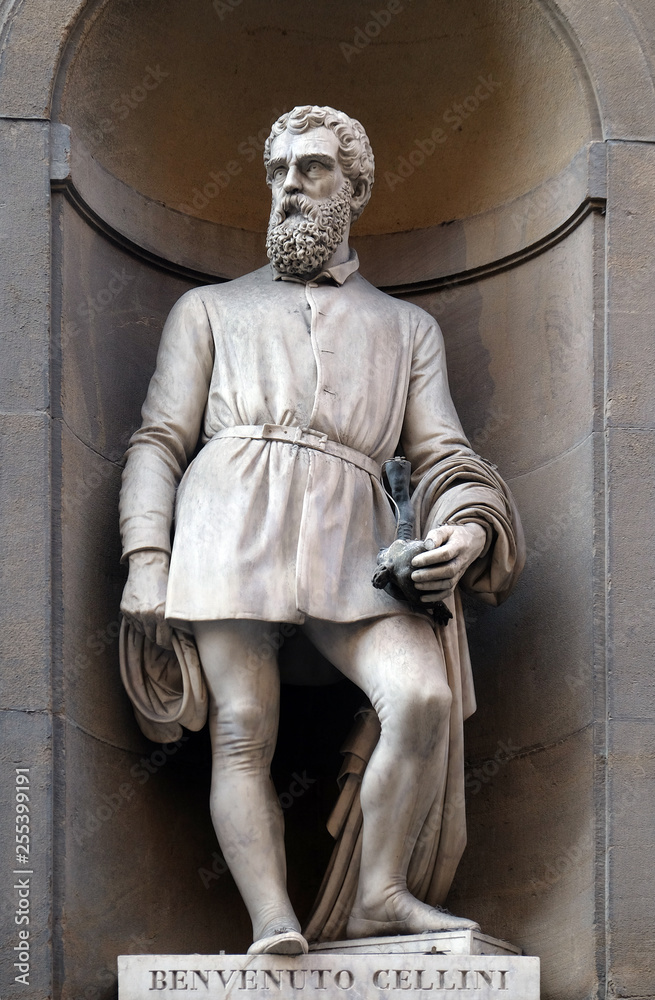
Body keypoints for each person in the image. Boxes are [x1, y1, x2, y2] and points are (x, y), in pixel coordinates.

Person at [119, 105, 524, 956]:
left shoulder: (406, 327)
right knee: (241, 726)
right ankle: (272, 918)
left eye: (311, 169)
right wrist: (146, 558)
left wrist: (465, 532)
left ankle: (379, 893)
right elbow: (159, 439)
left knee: (422, 696)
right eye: (277, 171)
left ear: (356, 186)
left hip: (356, 535)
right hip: (229, 514)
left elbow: (444, 451)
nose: (289, 187)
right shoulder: (208, 310)